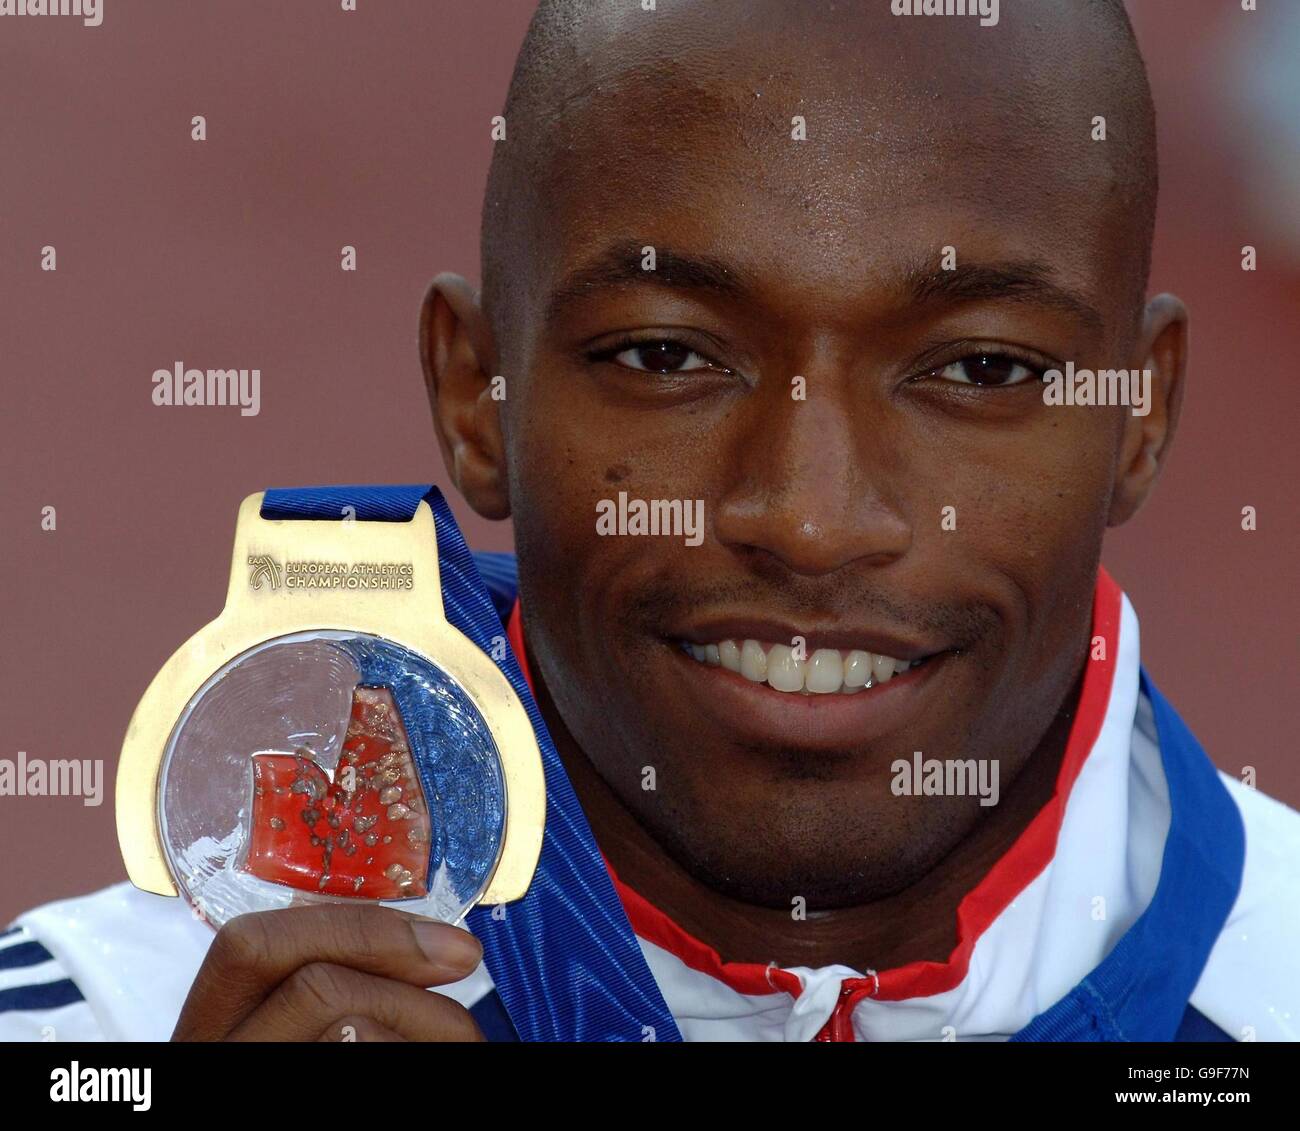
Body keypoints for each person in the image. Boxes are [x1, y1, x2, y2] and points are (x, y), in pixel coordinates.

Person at [4, 0, 1296, 1042]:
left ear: (1141, 415)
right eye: (669, 355)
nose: (809, 518)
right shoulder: (112, 1024)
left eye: (986, 370)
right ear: (474, 392)